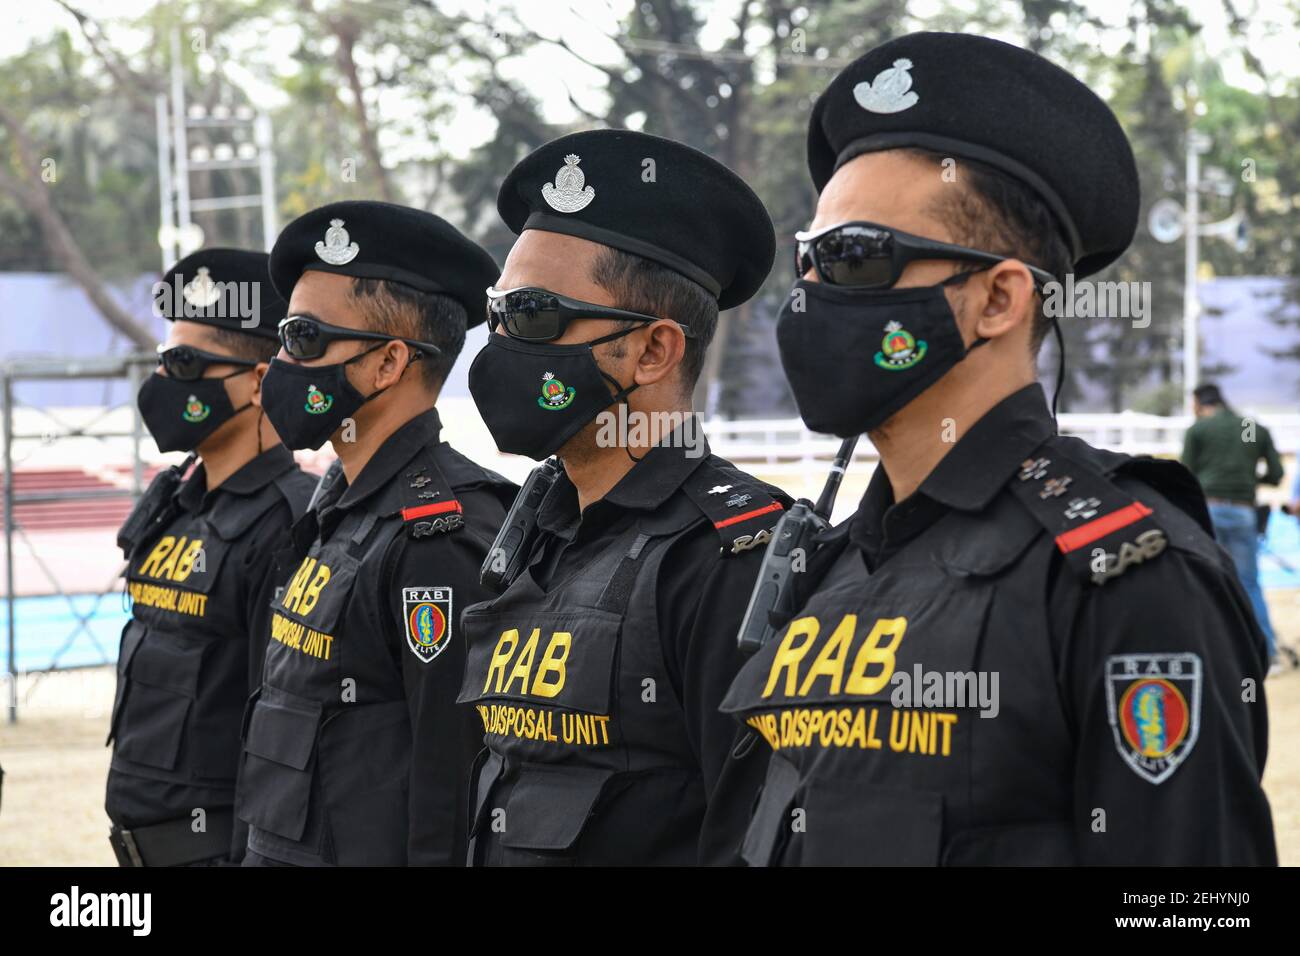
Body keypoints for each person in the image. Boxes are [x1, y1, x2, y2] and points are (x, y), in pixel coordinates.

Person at [717, 32, 1277, 865]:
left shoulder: (1122, 576)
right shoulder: (828, 569)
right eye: (810, 260)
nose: (808, 297)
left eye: (855, 258)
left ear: (997, 299)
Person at [458, 128, 790, 865]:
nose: (503, 344)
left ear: (653, 350)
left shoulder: (734, 557)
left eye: (535, 316)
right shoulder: (540, 529)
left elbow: (753, 838)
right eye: (498, 314)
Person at [237, 201, 516, 866]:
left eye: (303, 338)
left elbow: (447, 784)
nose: (279, 361)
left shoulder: (441, 534)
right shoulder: (338, 499)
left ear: (388, 362)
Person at [107, 248, 315, 866]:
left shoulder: (287, 521)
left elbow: (275, 726)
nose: (163, 382)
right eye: (165, 360)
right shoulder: (178, 501)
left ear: (258, 381)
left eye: (185, 362)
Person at [1181, 382, 1283, 666]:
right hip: (1243, 511)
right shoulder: (1251, 428)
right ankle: (1267, 654)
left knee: (1209, 579)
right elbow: (1276, 474)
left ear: (1200, 403)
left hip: (1208, 510)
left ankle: (1214, 652)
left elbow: (1184, 474)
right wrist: (1250, 481)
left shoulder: (1199, 430)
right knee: (1249, 581)